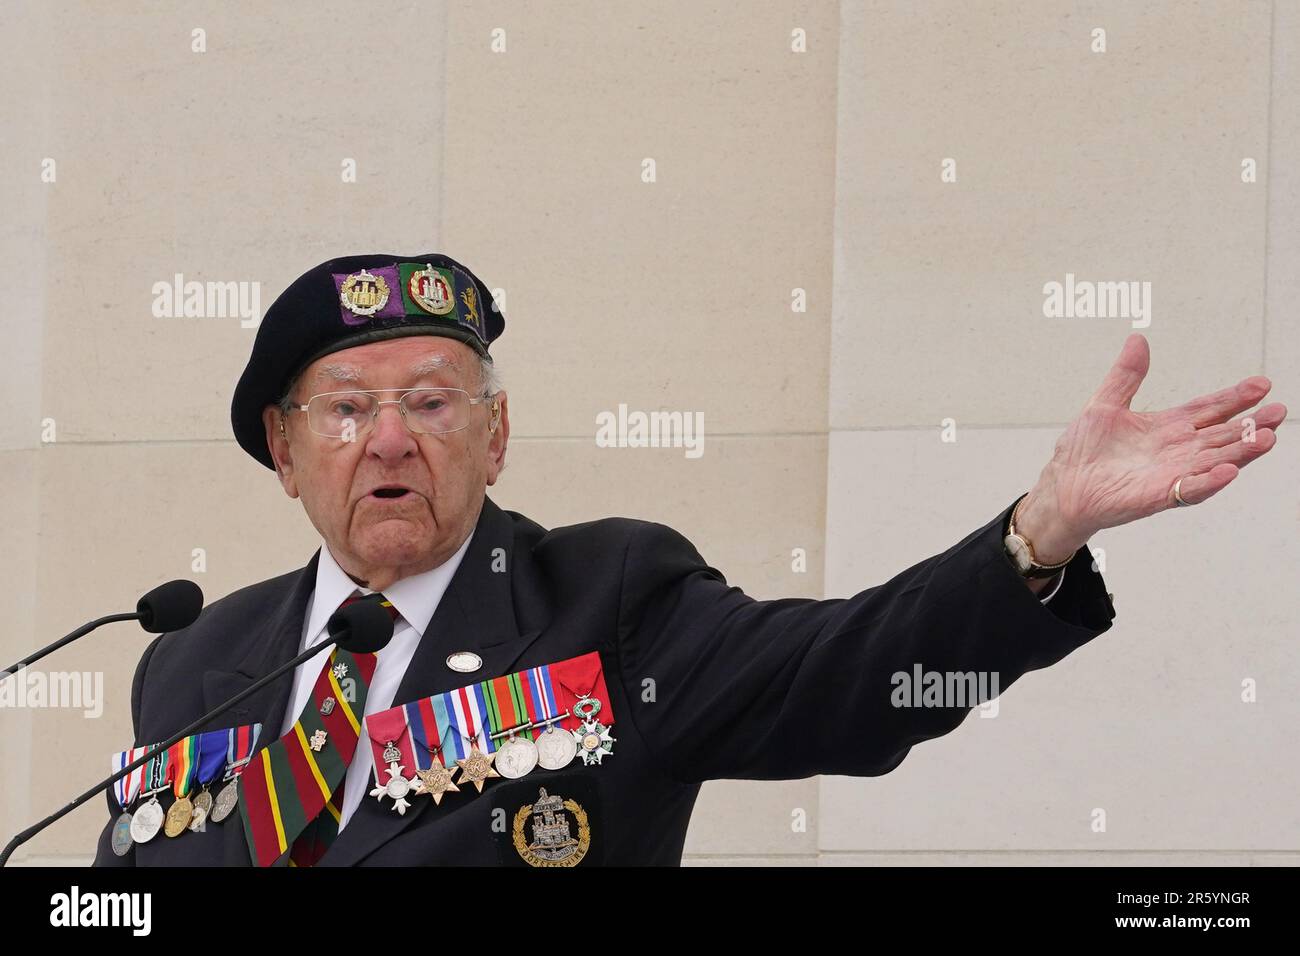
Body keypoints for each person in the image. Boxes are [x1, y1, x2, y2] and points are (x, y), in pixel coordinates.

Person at [92, 252, 1286, 866]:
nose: (391, 436)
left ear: (496, 435)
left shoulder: (609, 601)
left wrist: (1038, 532)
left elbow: (848, 674)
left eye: (434, 401)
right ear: (285, 449)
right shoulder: (195, 657)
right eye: (346, 407)